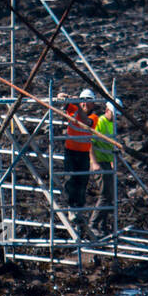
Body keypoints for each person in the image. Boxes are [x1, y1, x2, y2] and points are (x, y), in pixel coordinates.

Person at [57, 88, 98, 227]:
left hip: (83, 154)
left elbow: (86, 122)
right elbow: (59, 97)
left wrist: (78, 105)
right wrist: (66, 96)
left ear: (93, 104)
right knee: (70, 179)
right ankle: (71, 209)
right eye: (84, 100)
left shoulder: (94, 117)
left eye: (88, 101)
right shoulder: (73, 108)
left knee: (82, 181)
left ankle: (78, 210)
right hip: (70, 151)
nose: (85, 104)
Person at [89, 102, 116, 235]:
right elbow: (90, 142)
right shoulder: (100, 122)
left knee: (110, 195)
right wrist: (94, 163)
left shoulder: (112, 124)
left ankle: (103, 225)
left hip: (106, 162)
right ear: (107, 110)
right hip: (99, 162)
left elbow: (110, 146)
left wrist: (112, 161)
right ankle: (93, 224)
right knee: (105, 194)